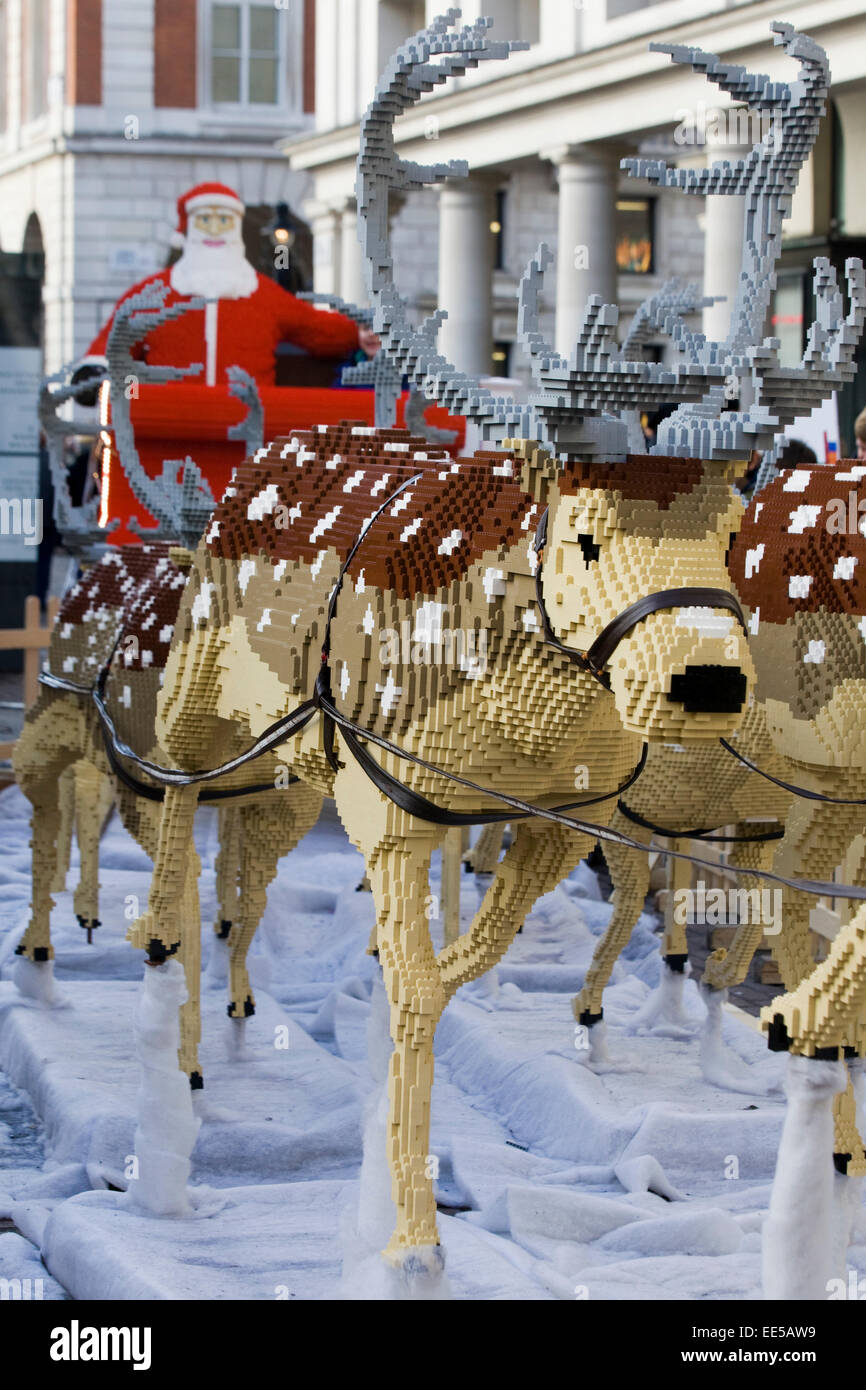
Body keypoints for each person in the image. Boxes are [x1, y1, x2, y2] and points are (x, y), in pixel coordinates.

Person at [74, 182, 379, 391]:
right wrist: (95, 370)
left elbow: (315, 327)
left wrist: (359, 330)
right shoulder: (154, 295)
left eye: (224, 221)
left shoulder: (261, 295)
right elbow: (114, 342)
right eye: (206, 220)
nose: (216, 230)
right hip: (167, 432)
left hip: (246, 434)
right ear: (190, 228)